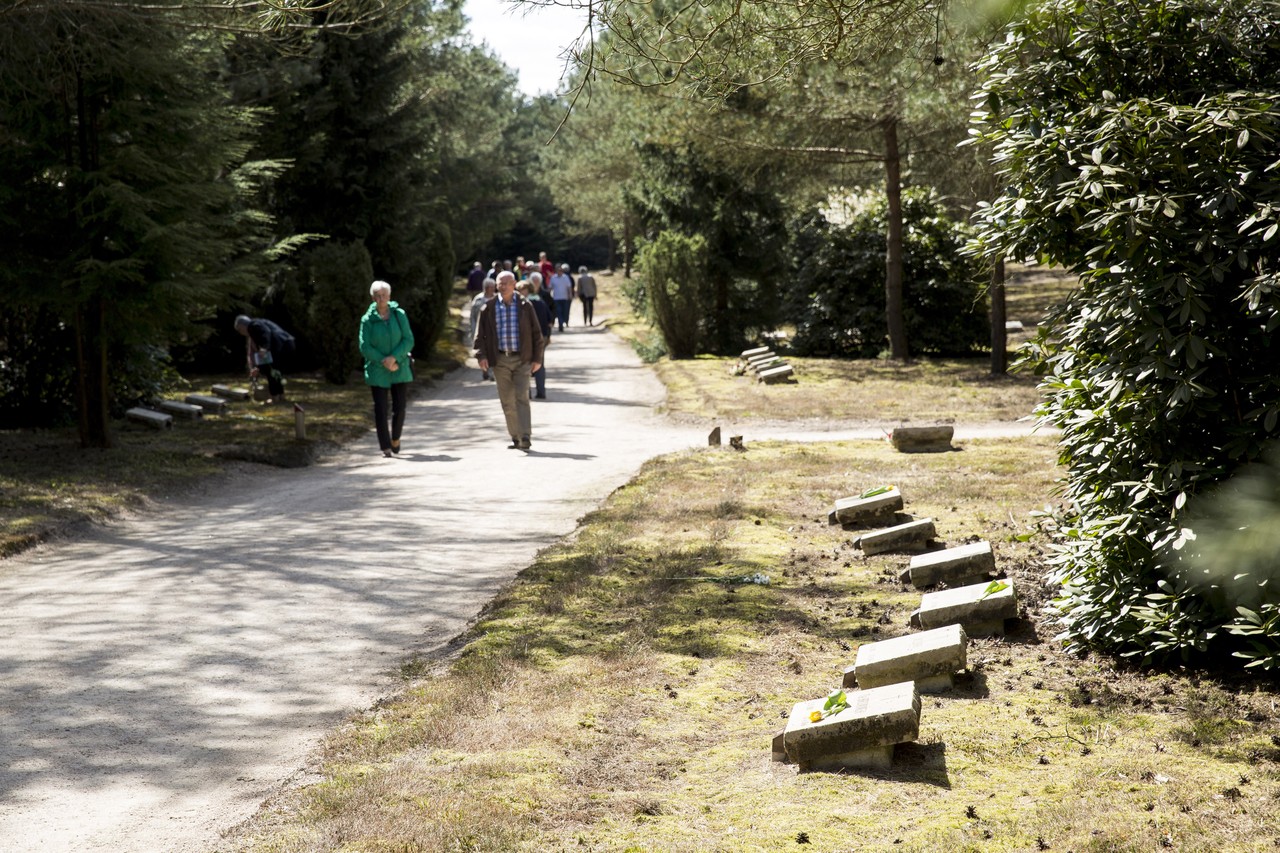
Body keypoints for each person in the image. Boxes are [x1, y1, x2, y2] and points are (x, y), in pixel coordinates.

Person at [474, 270, 544, 450]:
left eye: (506, 283)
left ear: (514, 285)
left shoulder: (525, 306)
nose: (503, 286)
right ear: (496, 286)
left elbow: (537, 334)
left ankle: (525, 436)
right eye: (500, 283)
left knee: (522, 396)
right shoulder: (488, 307)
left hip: (522, 359)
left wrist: (537, 358)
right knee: (507, 400)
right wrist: (481, 355)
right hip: (500, 359)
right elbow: (479, 335)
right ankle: (515, 436)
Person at [359, 280, 415, 458]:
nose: (381, 298)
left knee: (400, 408)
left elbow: (408, 340)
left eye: (384, 295)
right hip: (377, 368)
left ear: (389, 296)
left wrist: (394, 358)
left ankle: (395, 438)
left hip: (399, 366)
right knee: (380, 409)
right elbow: (364, 346)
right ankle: (385, 446)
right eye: (377, 295)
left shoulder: (399, 314)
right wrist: (383, 360)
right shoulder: (367, 320)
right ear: (373, 297)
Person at [234, 314, 295, 403]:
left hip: (281, 345)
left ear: (242, 326)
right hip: (286, 343)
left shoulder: (253, 325)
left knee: (270, 371)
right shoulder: (257, 324)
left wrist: (264, 348)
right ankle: (280, 396)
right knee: (275, 372)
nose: (240, 333)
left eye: (239, 330)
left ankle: (275, 397)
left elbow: (266, 332)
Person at [521, 274, 553, 399]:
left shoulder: (523, 304)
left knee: (525, 364)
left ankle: (527, 392)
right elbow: (550, 320)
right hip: (542, 337)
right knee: (539, 363)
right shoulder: (541, 302)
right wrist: (547, 336)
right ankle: (541, 391)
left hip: (528, 338)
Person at [469, 278, 497, 380]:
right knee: (482, 351)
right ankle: (485, 370)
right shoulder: (478, 299)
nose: (492, 289)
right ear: (485, 288)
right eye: (490, 287)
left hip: (493, 331)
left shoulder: (497, 299)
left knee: (492, 351)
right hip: (480, 329)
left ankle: (492, 373)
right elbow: (472, 316)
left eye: (494, 287)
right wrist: (473, 330)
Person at [548, 263, 575, 332]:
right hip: (556, 298)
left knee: (565, 311)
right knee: (559, 311)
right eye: (558, 270)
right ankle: (560, 324)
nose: (559, 272)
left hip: (565, 297)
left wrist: (570, 295)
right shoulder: (553, 278)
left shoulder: (566, 277)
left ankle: (563, 321)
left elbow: (569, 287)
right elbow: (550, 287)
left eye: (561, 270)